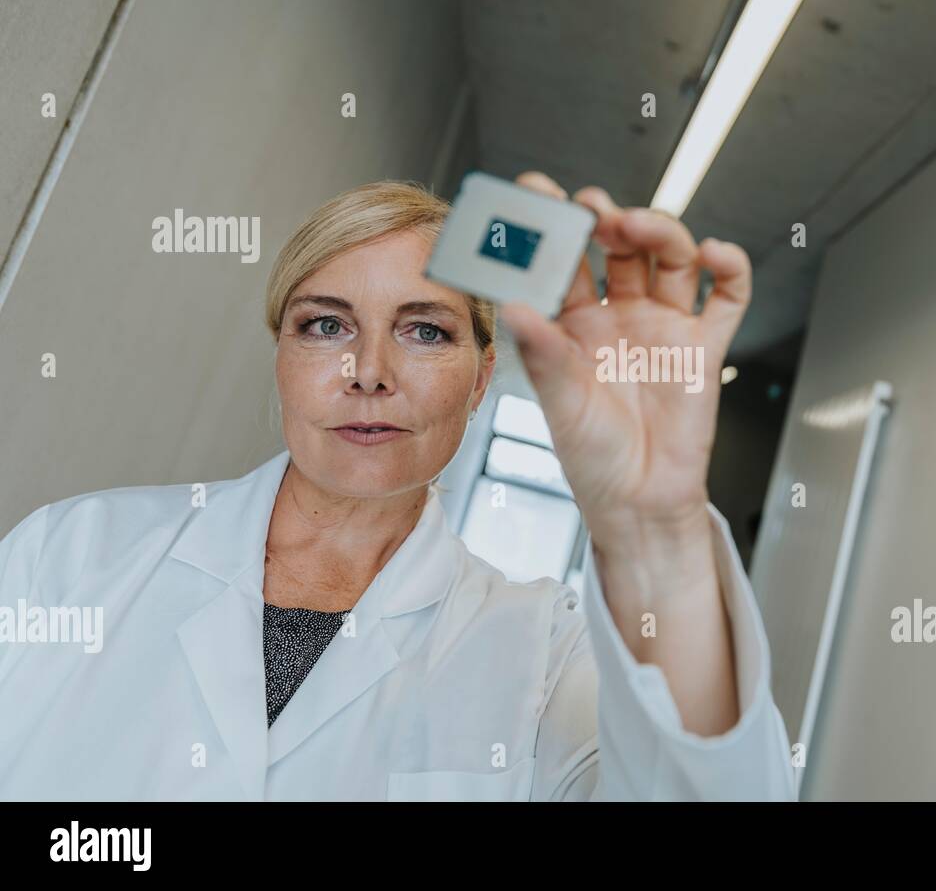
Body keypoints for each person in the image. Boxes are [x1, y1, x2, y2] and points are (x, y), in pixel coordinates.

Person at [0, 172, 796, 800]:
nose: (370, 373)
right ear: (281, 352)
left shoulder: (543, 657)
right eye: (326, 325)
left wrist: (655, 533)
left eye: (425, 331)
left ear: (482, 377)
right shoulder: (71, 555)